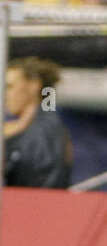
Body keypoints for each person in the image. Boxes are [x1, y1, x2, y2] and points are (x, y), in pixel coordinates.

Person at [4, 56, 72, 188]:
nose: (4, 94)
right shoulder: (47, 124)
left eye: (9, 86)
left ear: (34, 85)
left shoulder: (42, 129)